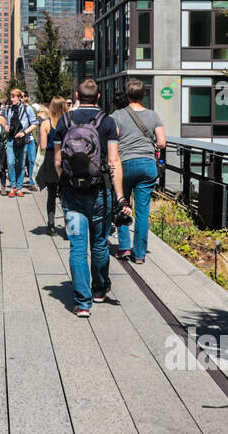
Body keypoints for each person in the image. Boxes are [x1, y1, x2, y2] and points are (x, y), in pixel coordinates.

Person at [53, 79, 129, 317]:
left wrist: (67, 181)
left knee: (77, 247)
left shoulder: (64, 122)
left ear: (76, 95)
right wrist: (121, 198)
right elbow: (114, 162)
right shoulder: (107, 122)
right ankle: (98, 289)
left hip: (72, 193)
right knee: (99, 243)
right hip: (100, 193)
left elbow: (57, 162)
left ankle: (82, 303)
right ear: (98, 97)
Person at [113, 80, 167, 263]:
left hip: (125, 164)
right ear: (144, 95)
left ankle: (124, 247)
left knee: (122, 203)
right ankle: (140, 254)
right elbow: (162, 142)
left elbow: (114, 139)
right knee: (142, 212)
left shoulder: (117, 115)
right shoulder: (153, 115)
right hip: (147, 165)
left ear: (127, 95)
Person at [36, 96, 68, 232]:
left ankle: (51, 224)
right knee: (66, 196)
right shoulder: (69, 123)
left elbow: (43, 146)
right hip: (66, 159)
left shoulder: (46, 124)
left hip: (50, 158)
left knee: (51, 195)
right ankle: (68, 227)